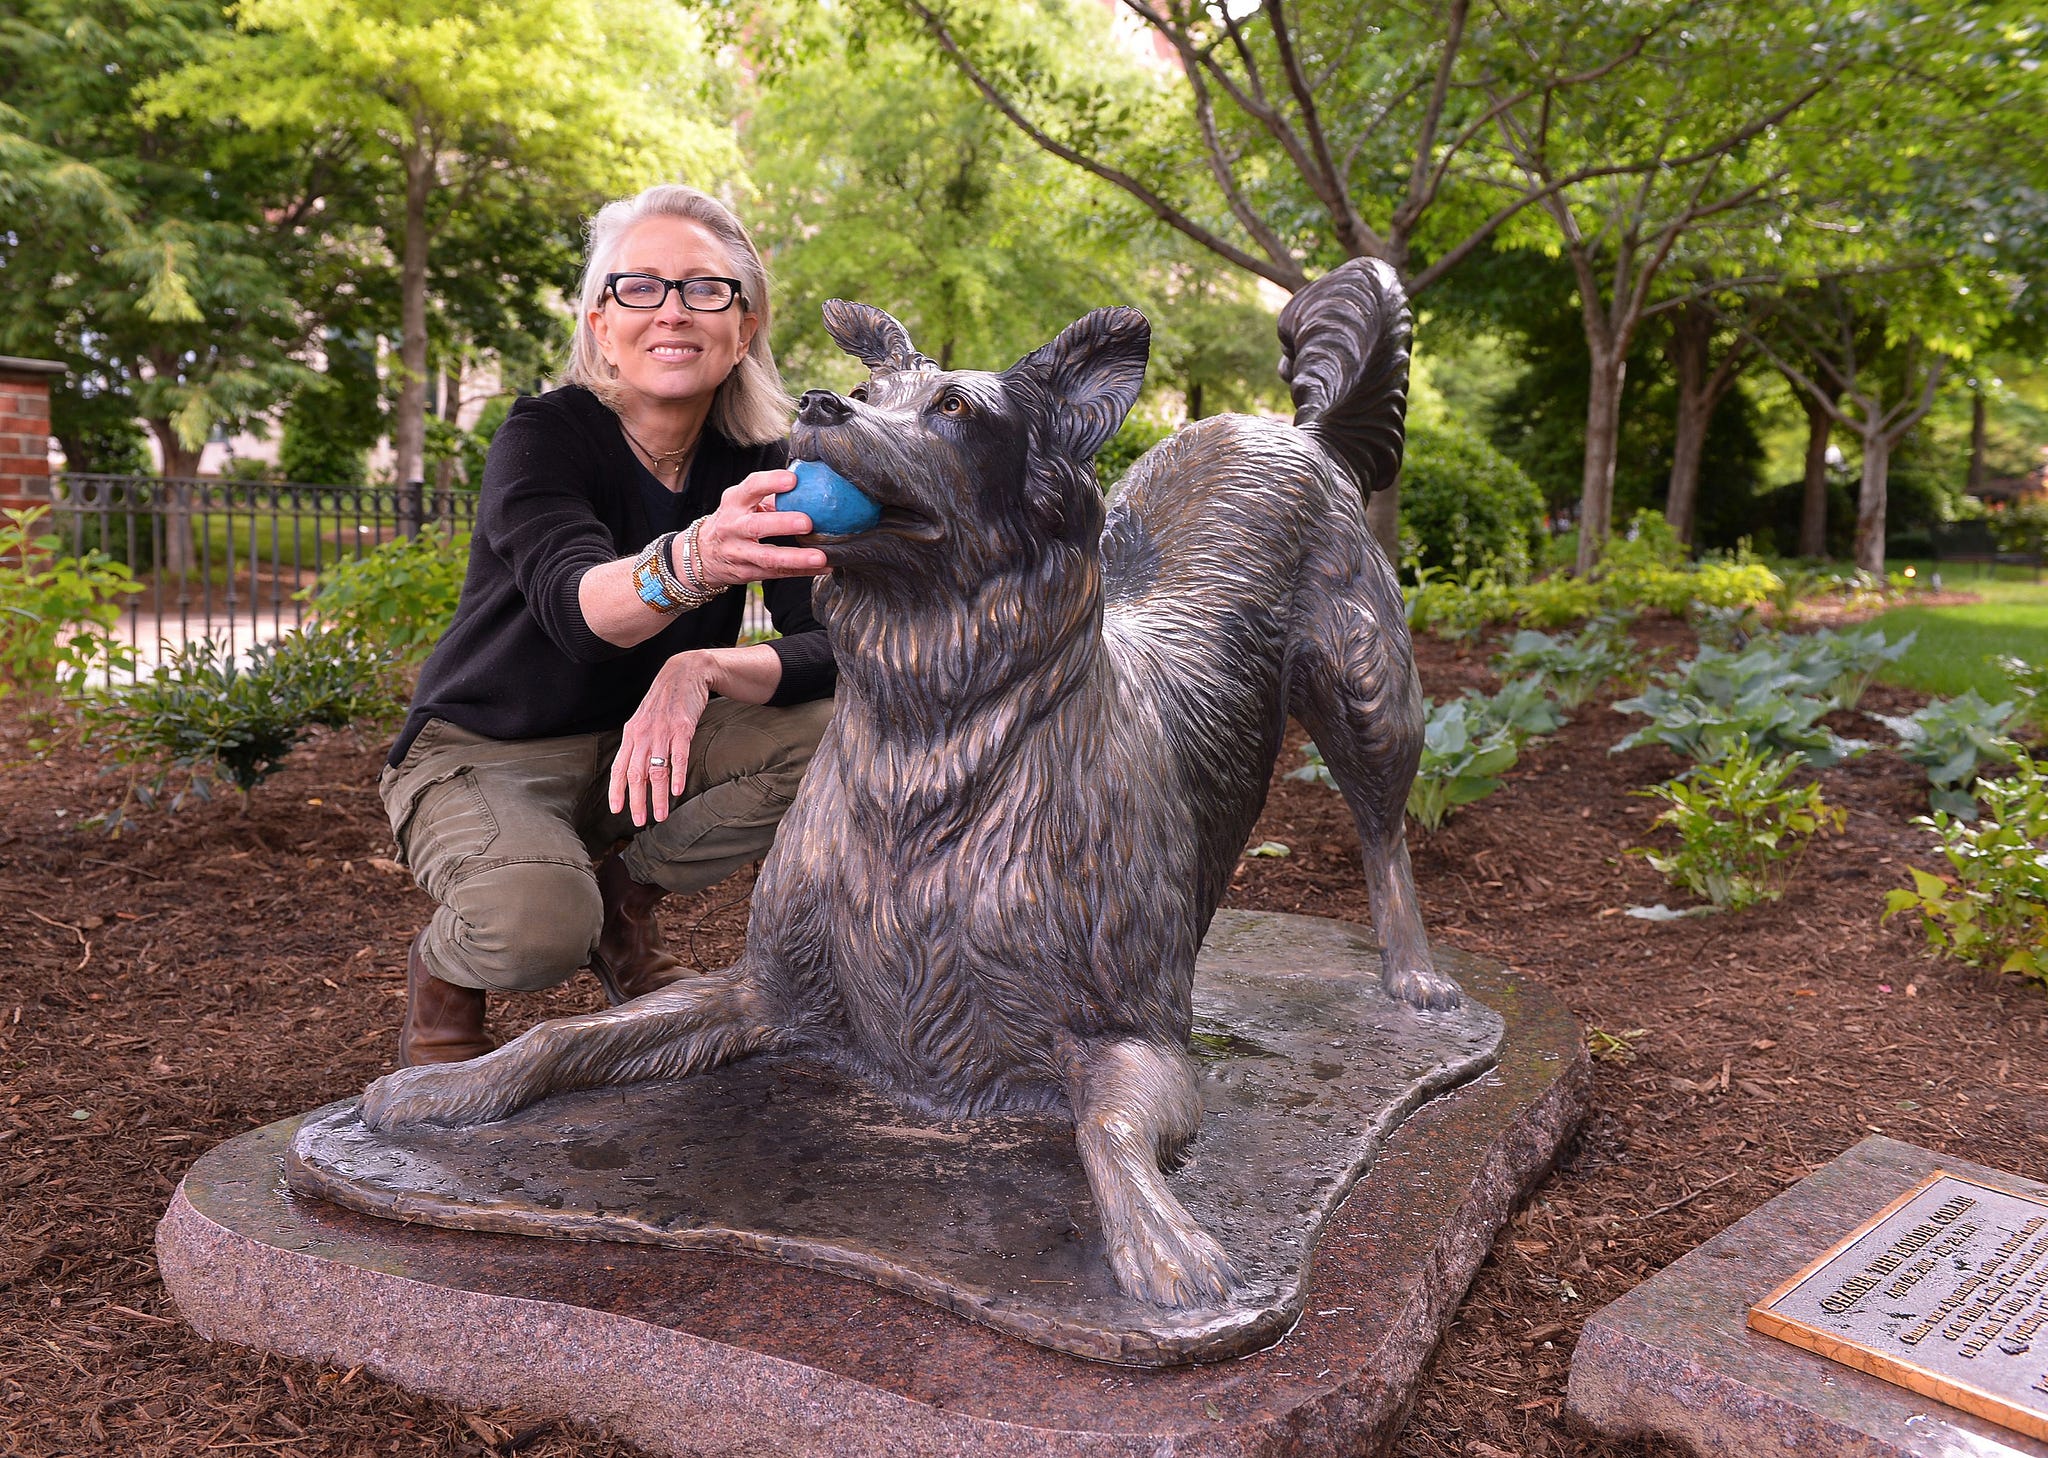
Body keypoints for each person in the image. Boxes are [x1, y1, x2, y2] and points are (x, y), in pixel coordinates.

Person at [379, 184, 835, 1066]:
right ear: (599, 321)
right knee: (536, 926)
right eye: (640, 288)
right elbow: (579, 611)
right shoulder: (545, 436)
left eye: (707, 290)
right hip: (487, 748)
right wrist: (698, 558)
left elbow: (831, 646)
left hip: (643, 746)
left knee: (845, 735)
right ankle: (448, 978)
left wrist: (702, 667)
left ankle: (622, 908)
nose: (673, 312)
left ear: (744, 328)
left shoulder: (762, 464)